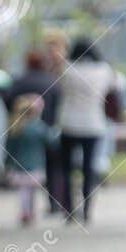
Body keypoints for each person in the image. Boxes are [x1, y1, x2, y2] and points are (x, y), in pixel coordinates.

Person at [56, 38, 124, 223]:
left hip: (69, 123)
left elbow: (59, 89)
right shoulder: (104, 70)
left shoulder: (67, 69)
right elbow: (119, 85)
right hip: (94, 124)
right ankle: (87, 209)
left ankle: (68, 210)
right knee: (88, 168)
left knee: (67, 169)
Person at [4, 85, 48, 226]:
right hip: (35, 165)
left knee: (23, 191)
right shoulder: (39, 127)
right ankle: (31, 211)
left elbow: (9, 149)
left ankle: (25, 212)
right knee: (32, 191)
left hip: (19, 166)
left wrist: (7, 163)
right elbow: (51, 141)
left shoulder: (16, 128)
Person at [41, 31, 69, 212]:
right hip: (48, 122)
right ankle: (53, 203)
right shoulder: (45, 73)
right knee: (50, 165)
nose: (52, 54)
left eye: (56, 49)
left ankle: (64, 201)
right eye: (50, 50)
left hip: (65, 122)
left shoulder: (68, 71)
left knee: (63, 165)